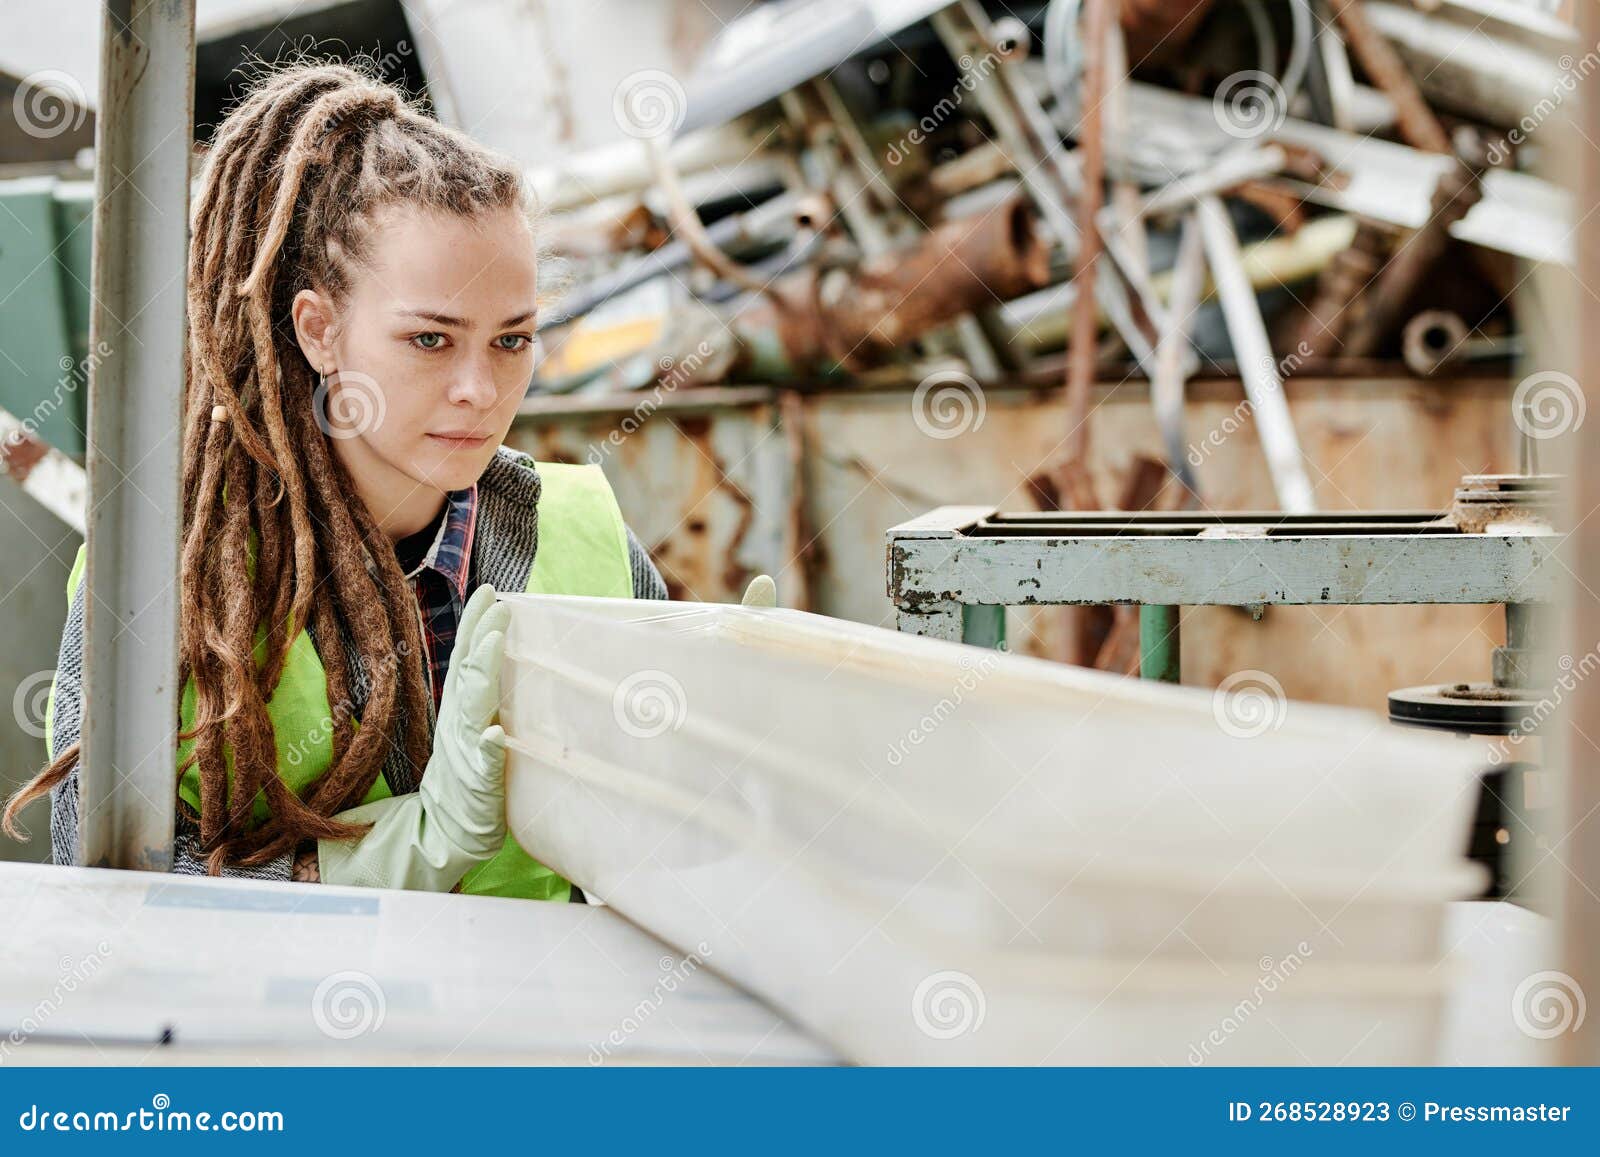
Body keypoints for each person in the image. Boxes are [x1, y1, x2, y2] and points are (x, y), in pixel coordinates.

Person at [0, 61, 674, 901]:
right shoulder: (164, 571)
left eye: (512, 339)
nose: (480, 387)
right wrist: (398, 854)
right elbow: (94, 880)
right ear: (319, 329)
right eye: (431, 339)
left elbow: (674, 862)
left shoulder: (588, 539)